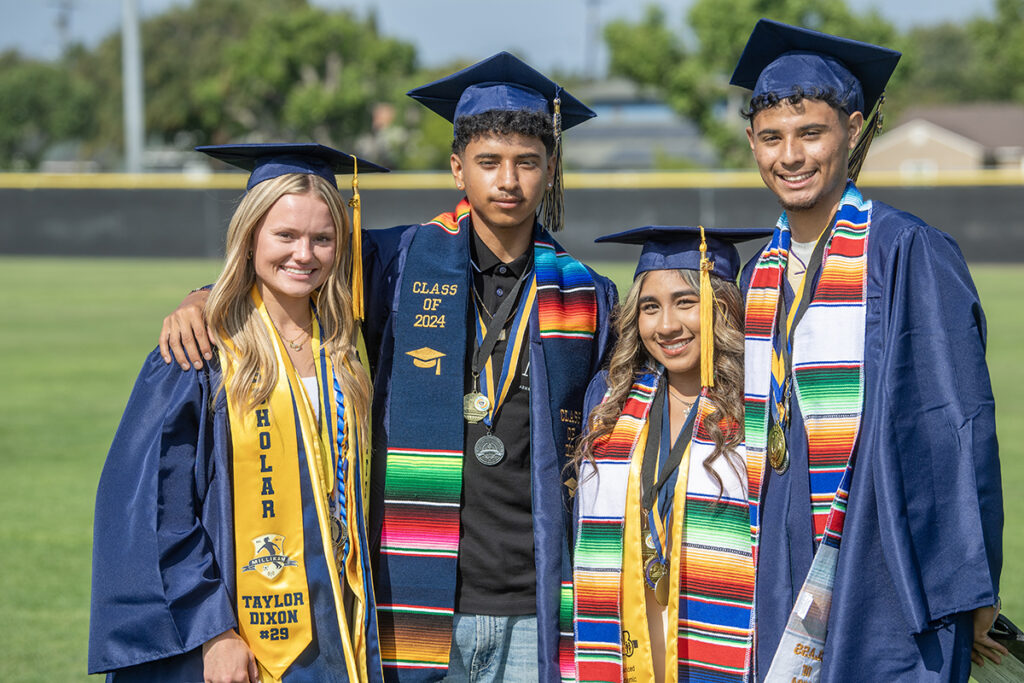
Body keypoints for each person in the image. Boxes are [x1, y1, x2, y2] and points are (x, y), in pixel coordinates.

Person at [156, 53, 617, 682]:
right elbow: (295, 266)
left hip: (536, 602)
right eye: (488, 162)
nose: (507, 180)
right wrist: (206, 296)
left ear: (550, 170)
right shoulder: (397, 262)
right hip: (412, 596)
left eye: (527, 163)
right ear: (458, 168)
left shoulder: (588, 296)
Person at [730, 19, 1005, 680]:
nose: (790, 156)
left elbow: (956, 421)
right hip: (779, 556)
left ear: (854, 131)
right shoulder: (756, 273)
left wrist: (968, 582)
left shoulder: (904, 251)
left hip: (880, 563)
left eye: (811, 133)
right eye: (772, 138)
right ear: (752, 143)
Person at [89, 144, 388, 682]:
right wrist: (213, 632)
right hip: (234, 632)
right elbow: (156, 507)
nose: (305, 254)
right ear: (250, 237)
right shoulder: (198, 353)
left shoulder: (346, 350)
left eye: (323, 239)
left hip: (337, 623)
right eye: (286, 236)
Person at [572, 225, 771, 683]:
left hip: (728, 644)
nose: (666, 325)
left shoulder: (759, 405)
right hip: (627, 641)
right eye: (650, 307)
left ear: (722, 306)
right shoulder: (610, 401)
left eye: (686, 302)